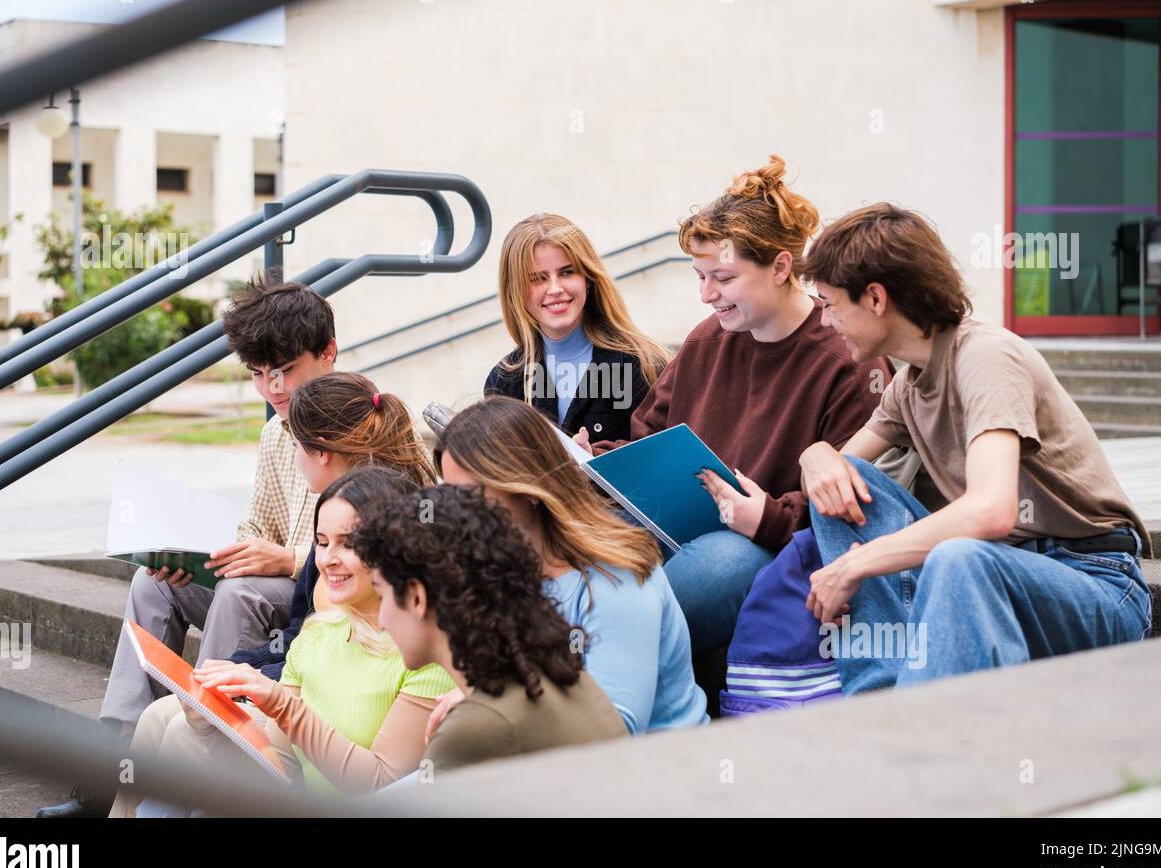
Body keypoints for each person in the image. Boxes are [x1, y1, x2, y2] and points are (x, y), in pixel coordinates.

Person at [797, 202, 1153, 694]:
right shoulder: (909, 383)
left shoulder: (986, 357)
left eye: (830, 303)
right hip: (993, 577)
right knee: (838, 491)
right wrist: (815, 455)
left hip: (1093, 584)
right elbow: (842, 468)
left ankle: (915, 726)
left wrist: (856, 563)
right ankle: (877, 693)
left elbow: (991, 511)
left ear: (875, 298)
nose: (825, 319)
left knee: (961, 557)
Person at [42, 280, 336, 818]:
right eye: (256, 373)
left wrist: (288, 557)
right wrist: (199, 561)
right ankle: (113, 769)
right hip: (272, 583)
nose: (271, 386)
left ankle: (200, 745)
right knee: (154, 583)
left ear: (328, 353)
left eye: (284, 369)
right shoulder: (277, 435)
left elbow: (377, 543)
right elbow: (256, 525)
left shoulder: (363, 420)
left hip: (318, 597)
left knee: (242, 590)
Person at [587, 155, 890, 653]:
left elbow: (857, 503)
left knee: (718, 566)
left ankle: (634, 687)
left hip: (773, 545)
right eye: (699, 277)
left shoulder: (846, 360)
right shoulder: (708, 339)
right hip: (678, 522)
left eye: (723, 279)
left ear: (780, 267)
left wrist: (768, 518)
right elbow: (651, 438)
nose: (707, 294)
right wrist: (596, 460)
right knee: (572, 536)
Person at [109, 466, 455, 817]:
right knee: (188, 733)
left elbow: (380, 784)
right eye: (321, 543)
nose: (327, 559)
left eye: (348, 543)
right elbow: (283, 765)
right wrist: (206, 726)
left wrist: (281, 705)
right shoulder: (319, 632)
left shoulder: (428, 651)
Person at [435, 396, 707, 735]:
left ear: (530, 486)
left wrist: (488, 705)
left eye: (472, 495)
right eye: (450, 497)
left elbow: (613, 729)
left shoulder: (615, 574)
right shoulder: (499, 579)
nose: (456, 513)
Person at [361, 484, 628, 777]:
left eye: (381, 595)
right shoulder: (556, 670)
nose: (383, 620)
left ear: (416, 597)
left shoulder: (473, 732)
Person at [228, 372, 437, 680]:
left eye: (297, 445)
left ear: (322, 452)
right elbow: (297, 635)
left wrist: (256, 681)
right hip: (302, 681)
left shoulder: (384, 529)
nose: (296, 458)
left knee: (175, 723)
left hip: (333, 700)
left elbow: (346, 663)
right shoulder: (338, 515)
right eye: (324, 544)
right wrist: (239, 666)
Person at [484, 213, 670, 445]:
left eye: (567, 272)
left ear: (588, 278)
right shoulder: (504, 382)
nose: (554, 288)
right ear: (515, 291)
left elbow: (660, 462)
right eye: (538, 278)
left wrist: (596, 460)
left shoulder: (643, 365)